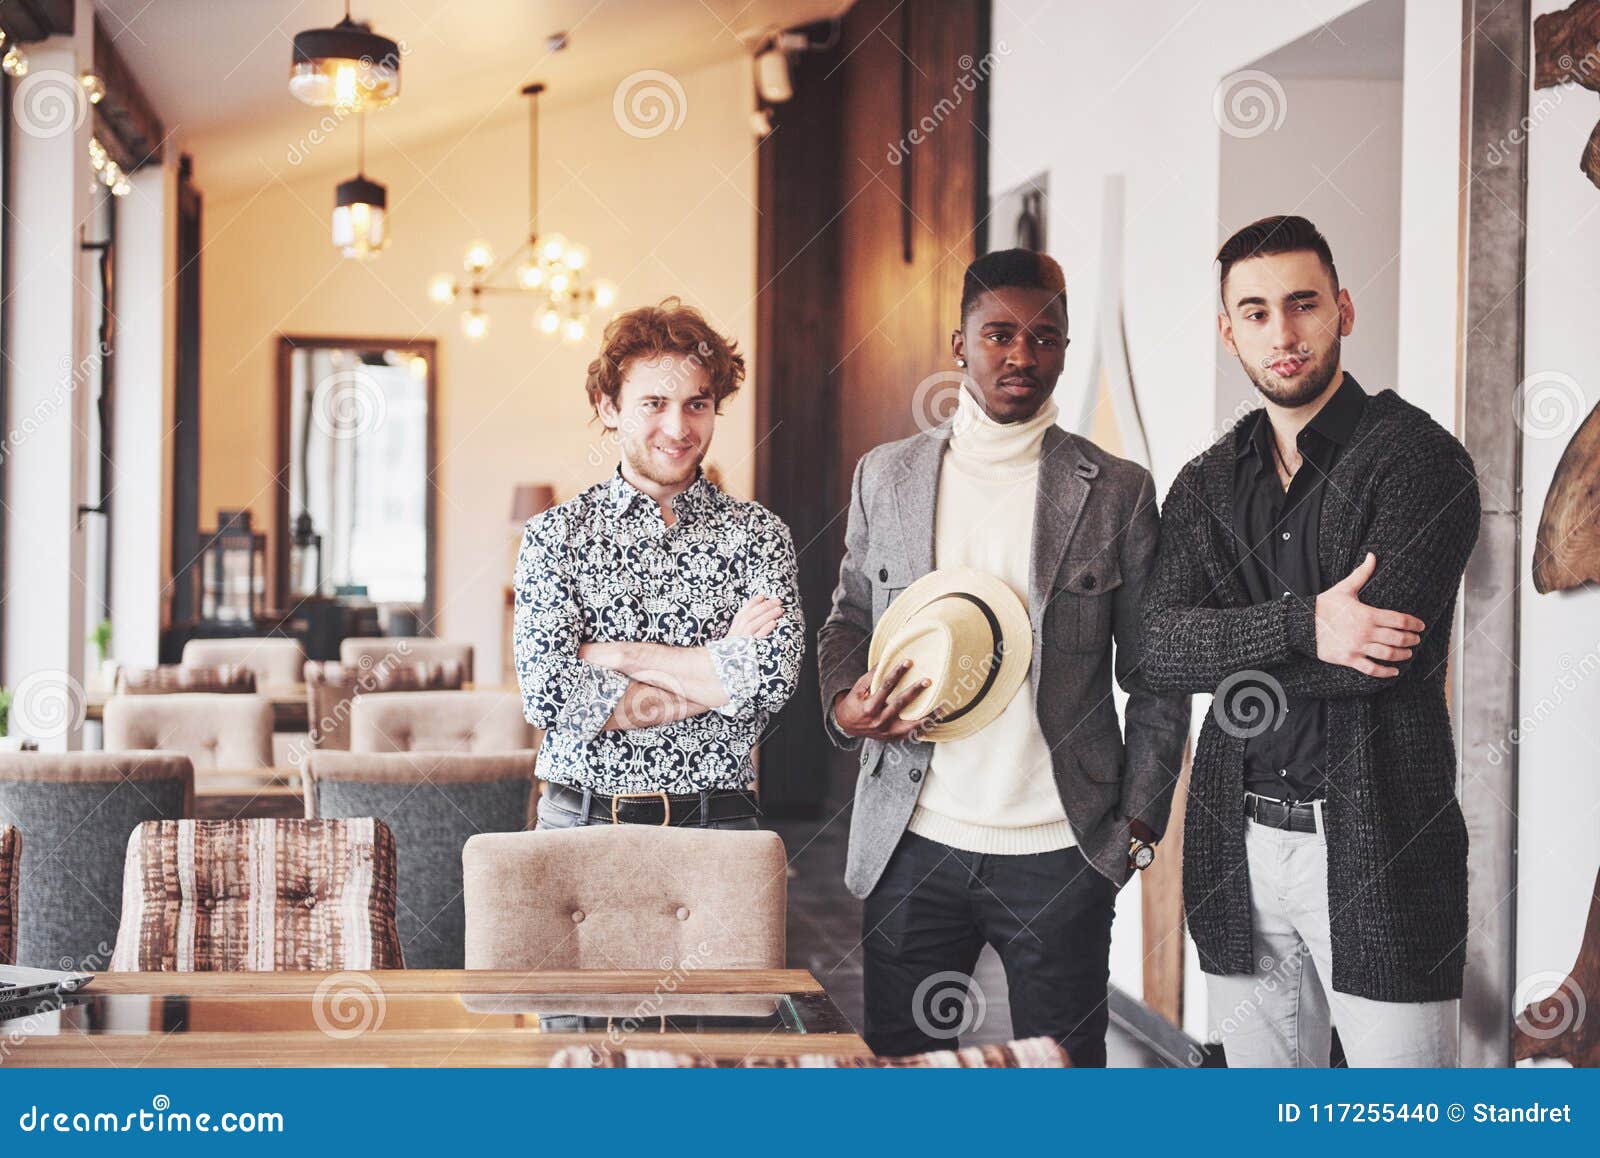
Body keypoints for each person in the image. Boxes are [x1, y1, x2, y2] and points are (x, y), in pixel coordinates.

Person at [817, 249, 1190, 1063]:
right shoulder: (888, 477)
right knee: (907, 1079)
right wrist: (847, 701)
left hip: (1061, 851)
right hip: (912, 843)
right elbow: (847, 618)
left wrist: (1134, 830)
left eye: (1045, 336)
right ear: (960, 345)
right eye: (999, 335)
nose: (1022, 355)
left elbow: (1157, 672)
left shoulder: (1117, 490)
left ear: (1062, 347)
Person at [1139, 215, 1481, 1066]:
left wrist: (1226, 642)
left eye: (1302, 304)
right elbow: (1153, 650)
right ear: (1228, 332)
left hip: (1381, 845)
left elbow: (1374, 664)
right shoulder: (1208, 482)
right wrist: (1306, 624)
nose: (1282, 334)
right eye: (1254, 312)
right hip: (1236, 847)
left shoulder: (1420, 463)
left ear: (1344, 310)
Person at [513, 298, 803, 829]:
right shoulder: (554, 537)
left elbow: (771, 680)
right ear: (609, 407)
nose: (678, 427)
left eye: (697, 403)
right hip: (583, 821)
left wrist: (619, 655)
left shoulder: (760, 534)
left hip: (719, 824)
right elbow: (552, 700)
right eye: (653, 403)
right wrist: (718, 671)